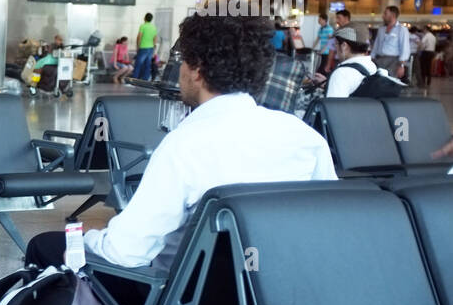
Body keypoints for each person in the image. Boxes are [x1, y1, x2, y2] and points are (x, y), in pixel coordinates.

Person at [25, 14, 336, 270]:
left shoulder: (185, 145)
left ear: (197, 71)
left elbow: (126, 252)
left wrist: (90, 239)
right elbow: (326, 225)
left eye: (184, 63)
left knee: (45, 247)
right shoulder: (304, 139)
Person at [325, 26, 403, 98]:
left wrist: (334, 82)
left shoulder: (341, 73)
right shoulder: (373, 67)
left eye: (336, 44)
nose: (335, 49)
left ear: (344, 46)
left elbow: (334, 109)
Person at [372, 5, 410, 81]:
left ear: (392, 15)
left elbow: (405, 48)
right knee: (377, 83)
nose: (383, 16)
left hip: (393, 61)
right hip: (379, 60)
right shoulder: (381, 29)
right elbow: (376, 45)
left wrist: (401, 65)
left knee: (389, 83)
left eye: (385, 13)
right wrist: (372, 57)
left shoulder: (402, 30)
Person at [132, 13, 157, 80]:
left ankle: (134, 80)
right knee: (147, 65)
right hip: (150, 48)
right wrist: (153, 49)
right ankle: (145, 80)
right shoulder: (153, 27)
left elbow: (139, 37)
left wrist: (137, 46)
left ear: (144, 18)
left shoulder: (143, 26)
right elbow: (155, 39)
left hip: (143, 48)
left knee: (138, 64)